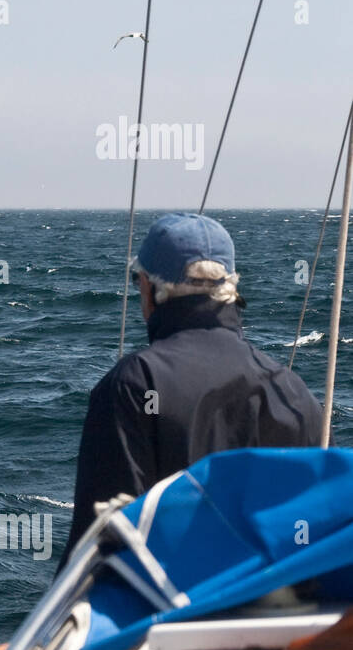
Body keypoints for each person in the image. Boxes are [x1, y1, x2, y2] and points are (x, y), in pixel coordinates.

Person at [57, 212, 323, 567]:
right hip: (284, 615)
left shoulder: (134, 385)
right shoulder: (294, 392)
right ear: (230, 290)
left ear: (150, 289)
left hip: (170, 613)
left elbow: (98, 548)